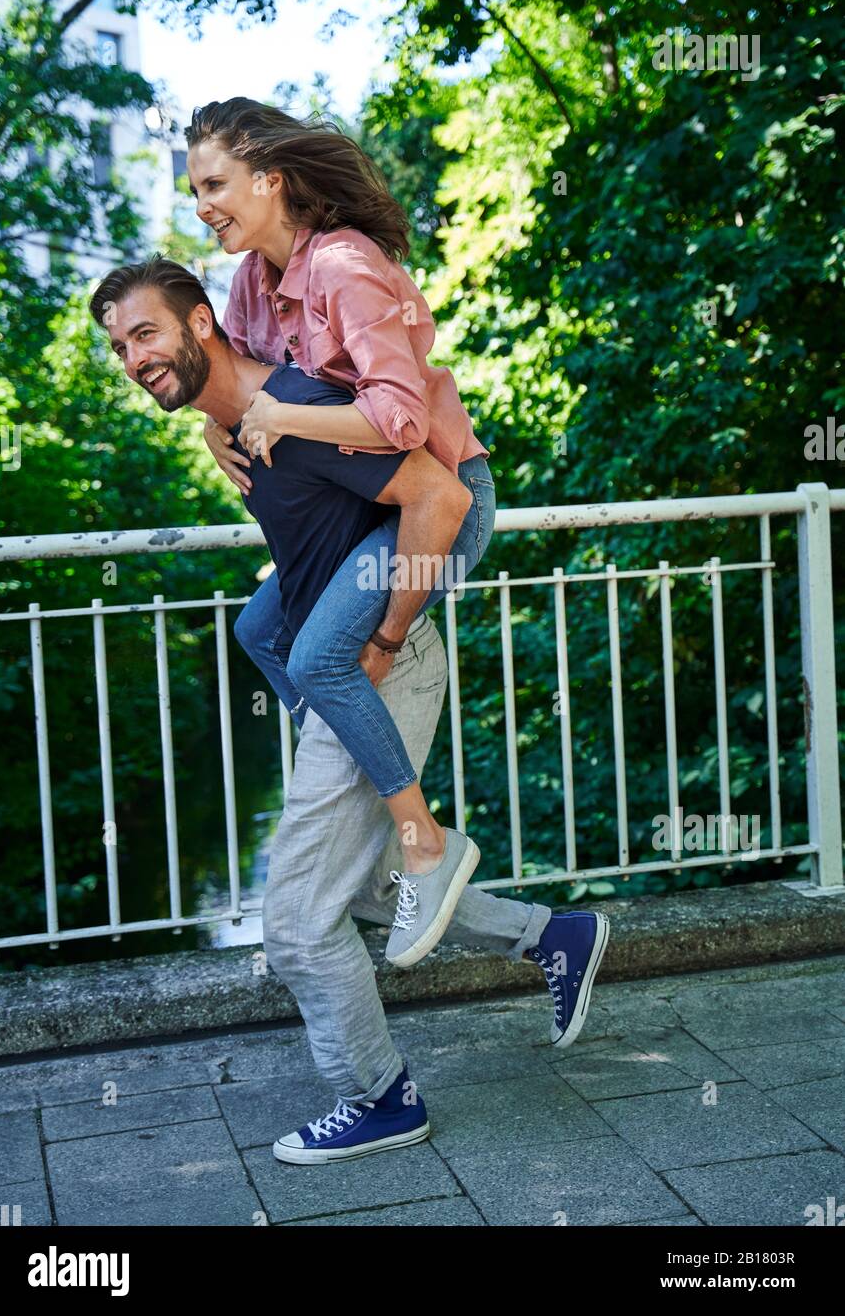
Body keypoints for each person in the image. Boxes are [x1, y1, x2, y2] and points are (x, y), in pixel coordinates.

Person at [88, 256, 611, 1165]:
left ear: (201, 323)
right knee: (361, 890)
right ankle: (554, 936)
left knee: (296, 921)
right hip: (351, 667)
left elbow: (441, 497)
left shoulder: (293, 413)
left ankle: (379, 1098)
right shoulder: (242, 423)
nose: (134, 359)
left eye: (146, 333)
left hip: (379, 665)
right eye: (119, 348)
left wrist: (385, 638)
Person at [183, 97, 496, 961]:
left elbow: (395, 418)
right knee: (259, 628)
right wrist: (218, 425)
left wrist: (389, 636)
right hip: (370, 511)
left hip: (440, 503)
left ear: (269, 177)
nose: (202, 205)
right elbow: (238, 382)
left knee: (323, 656)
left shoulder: (344, 266)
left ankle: (427, 843)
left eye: (215, 184)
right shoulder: (252, 281)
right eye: (194, 190)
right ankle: (354, 738)